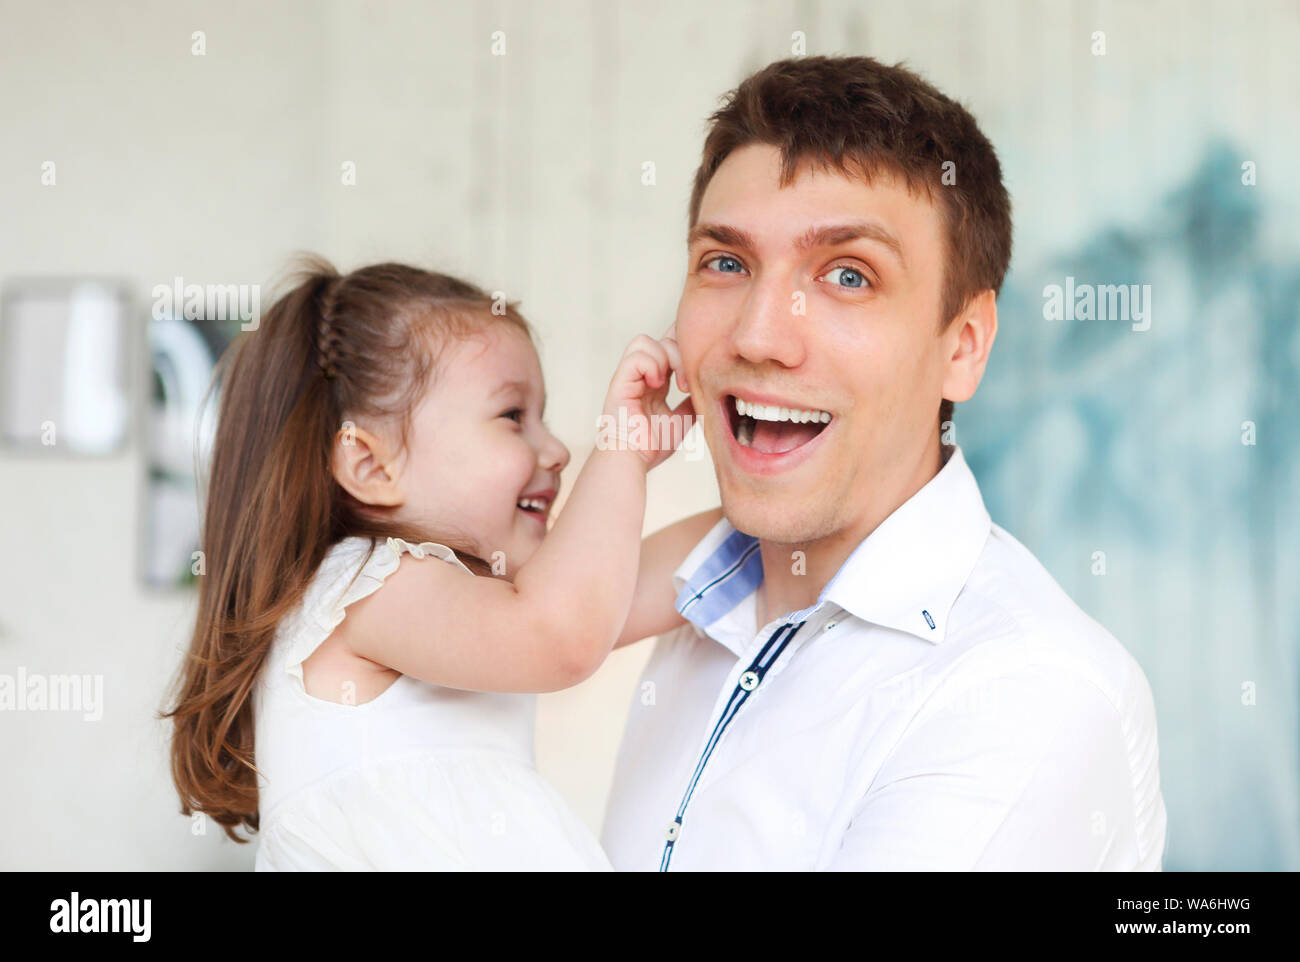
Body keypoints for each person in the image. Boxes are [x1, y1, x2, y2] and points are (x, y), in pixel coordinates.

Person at [600, 56, 1169, 870]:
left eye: (847, 275)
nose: (759, 335)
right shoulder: (701, 598)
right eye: (726, 262)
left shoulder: (1025, 695)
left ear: (963, 347)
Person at [163, 256, 696, 870]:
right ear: (370, 465)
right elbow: (563, 635)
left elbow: (652, 582)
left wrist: (797, 508)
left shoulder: (459, 606)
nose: (554, 448)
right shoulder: (360, 592)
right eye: (512, 416)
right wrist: (621, 452)